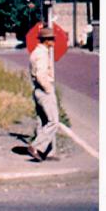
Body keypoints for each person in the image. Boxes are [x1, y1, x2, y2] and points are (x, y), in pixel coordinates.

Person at [26, 27, 59, 161]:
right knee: (53, 122)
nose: (54, 41)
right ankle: (36, 146)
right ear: (46, 40)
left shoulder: (35, 52)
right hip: (44, 90)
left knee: (43, 122)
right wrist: (48, 89)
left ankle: (45, 152)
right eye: (52, 39)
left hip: (37, 90)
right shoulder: (42, 54)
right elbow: (40, 75)